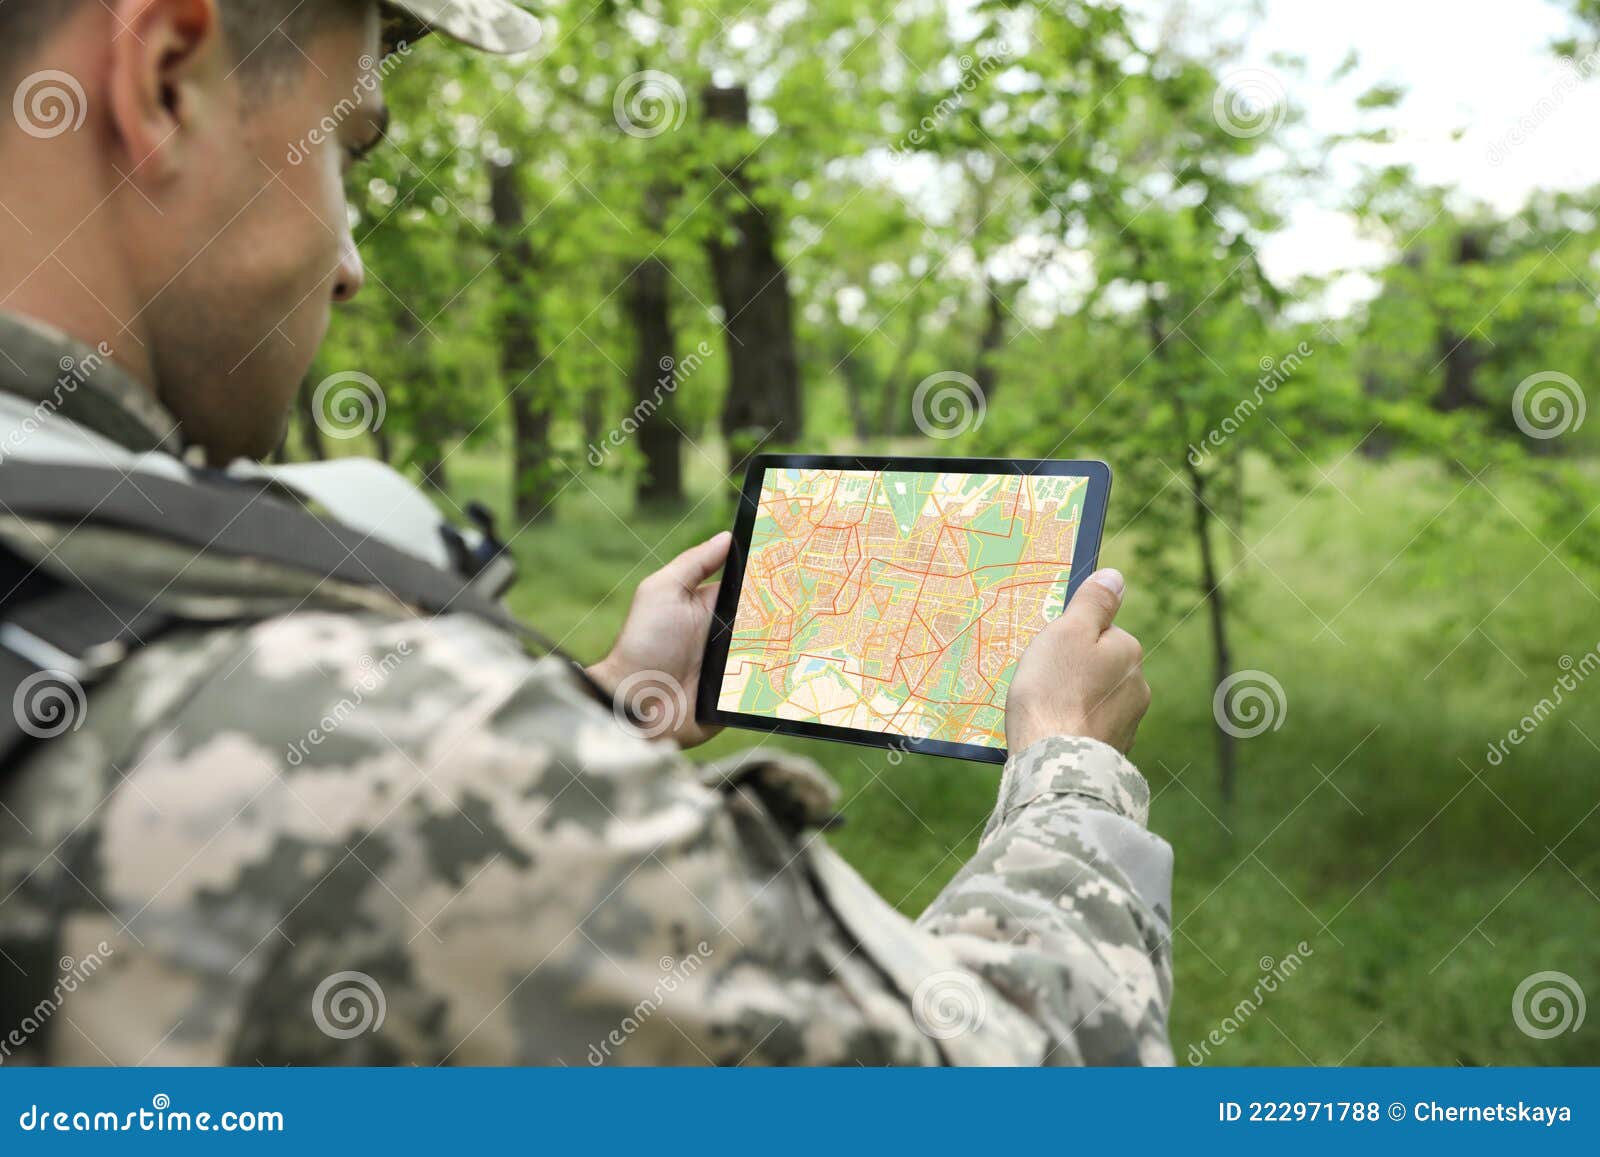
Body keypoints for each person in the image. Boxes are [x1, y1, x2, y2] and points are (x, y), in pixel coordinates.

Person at [0, 0, 1170, 1066]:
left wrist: (615, 700)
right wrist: (1070, 767)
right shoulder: (394, 754)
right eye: (346, 155)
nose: (349, 264)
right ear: (162, 78)